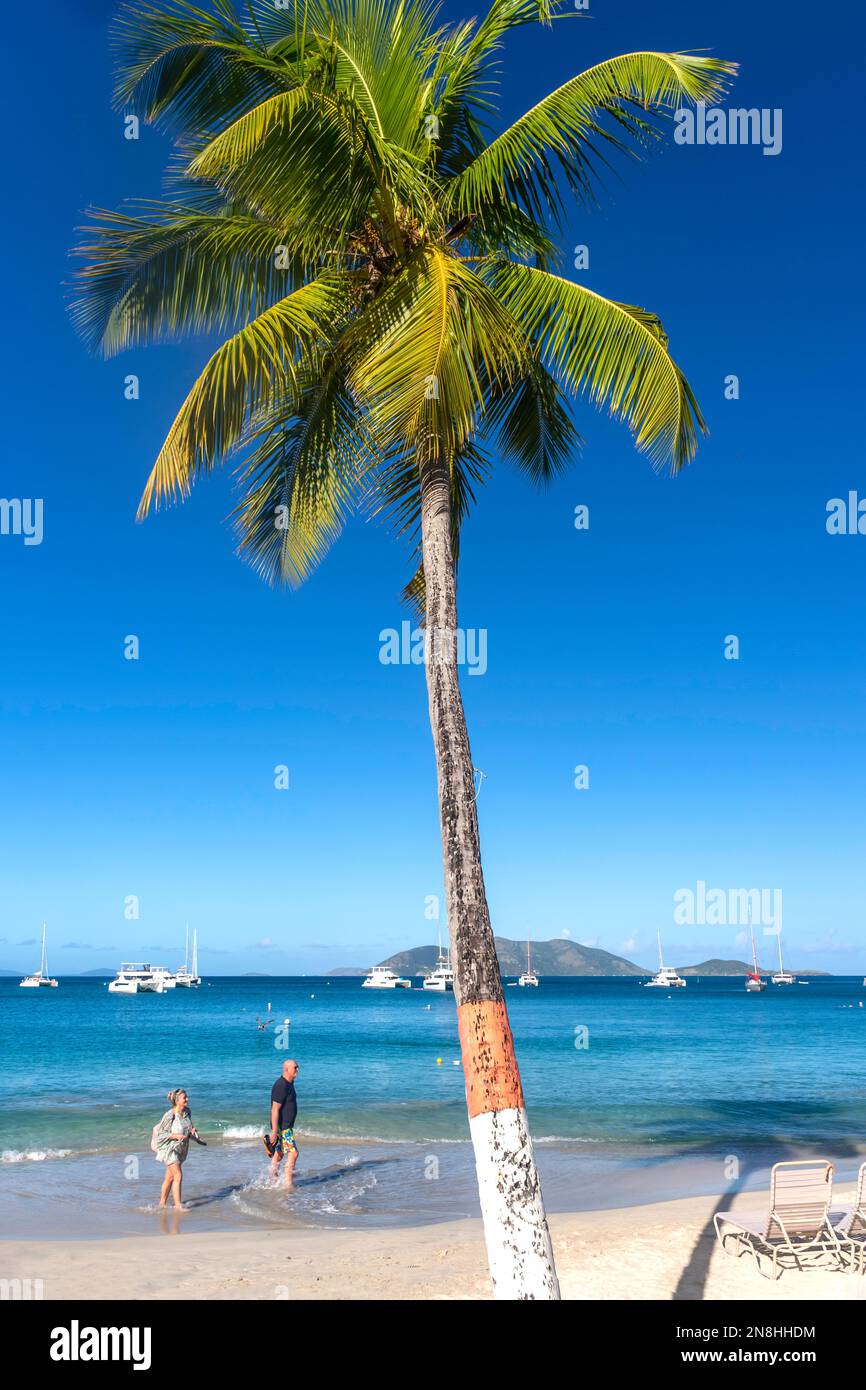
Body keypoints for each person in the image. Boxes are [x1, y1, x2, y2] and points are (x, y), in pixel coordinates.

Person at [154, 1087, 199, 1209]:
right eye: (185, 1098)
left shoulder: (187, 1112)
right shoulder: (169, 1115)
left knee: (169, 1178)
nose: (187, 1099)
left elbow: (188, 1127)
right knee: (178, 1175)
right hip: (170, 1149)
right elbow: (161, 1134)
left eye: (187, 1097)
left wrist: (192, 1130)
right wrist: (175, 1136)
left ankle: (161, 1204)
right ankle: (178, 1205)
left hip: (181, 1149)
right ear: (177, 1100)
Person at [263, 1059, 300, 1189]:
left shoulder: (290, 1083)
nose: (297, 1070)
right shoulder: (281, 1085)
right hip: (283, 1128)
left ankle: (272, 1179)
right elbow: (274, 1109)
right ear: (286, 1069)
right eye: (295, 1068)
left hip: (285, 1126)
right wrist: (274, 1131)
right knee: (293, 1153)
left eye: (297, 1067)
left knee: (280, 1152)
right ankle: (288, 1184)